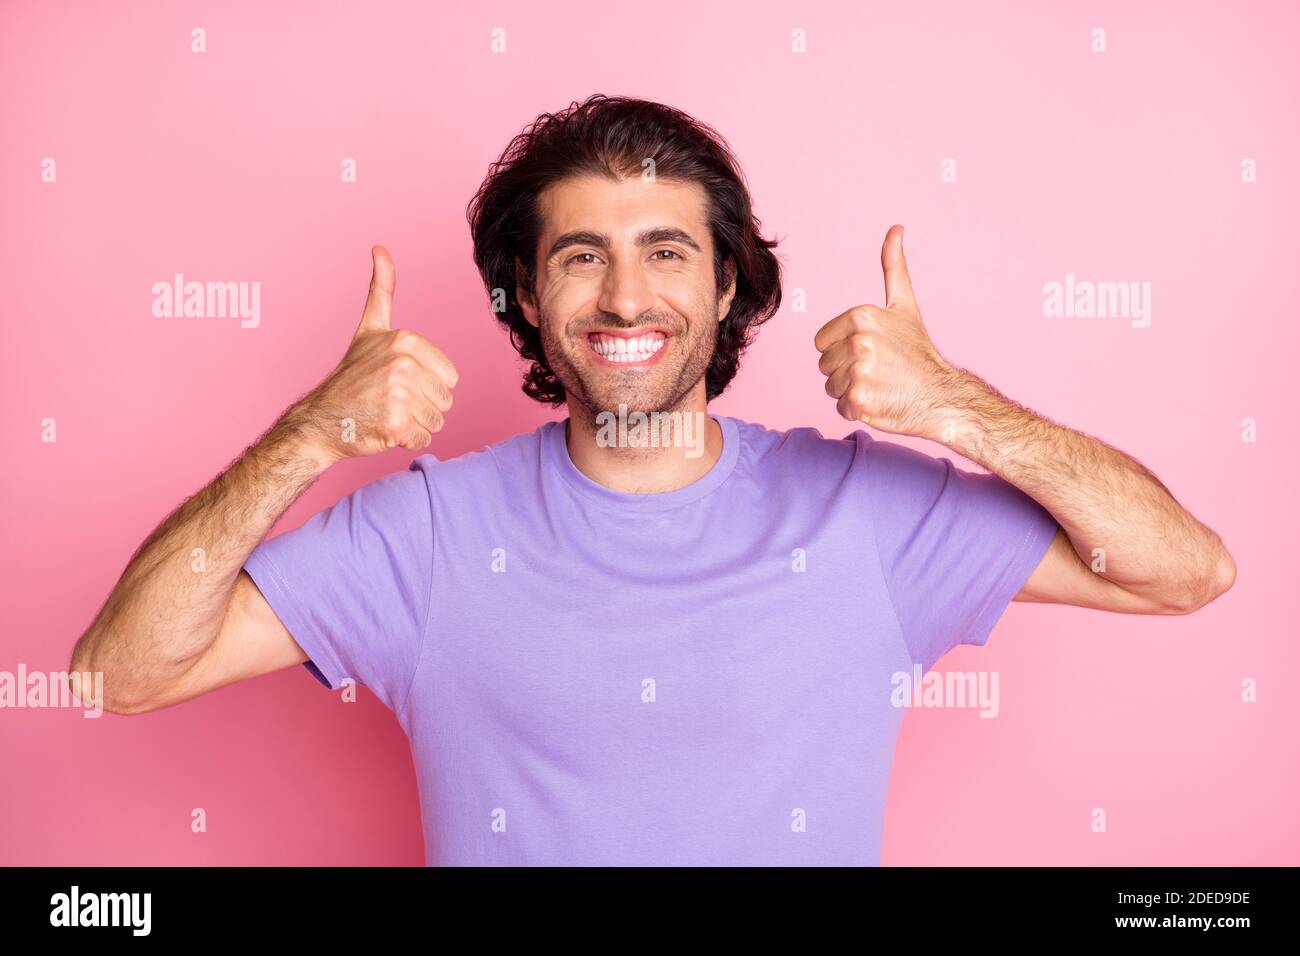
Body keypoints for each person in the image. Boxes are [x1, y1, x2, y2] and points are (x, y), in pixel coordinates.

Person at [70, 95, 1235, 865]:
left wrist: (953, 408)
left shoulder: (866, 514)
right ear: (526, 296)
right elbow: (117, 674)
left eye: (665, 252)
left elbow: (1185, 570)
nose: (625, 299)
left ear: (728, 287)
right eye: (582, 256)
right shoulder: (427, 531)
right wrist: (313, 430)